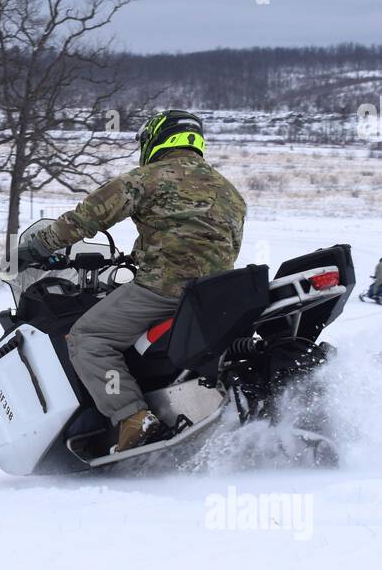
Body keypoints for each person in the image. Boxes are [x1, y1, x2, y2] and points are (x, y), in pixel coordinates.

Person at [16, 109, 246, 454]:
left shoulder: (147, 178)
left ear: (156, 139)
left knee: (88, 336)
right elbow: (219, 246)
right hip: (215, 294)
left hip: (164, 290)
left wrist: (34, 246)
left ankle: (133, 417)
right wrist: (141, 255)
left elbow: (86, 218)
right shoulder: (230, 193)